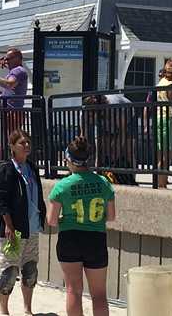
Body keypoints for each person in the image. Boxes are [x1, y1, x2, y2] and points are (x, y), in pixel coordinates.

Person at [47, 135, 115, 316]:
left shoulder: (62, 186)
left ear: (69, 159)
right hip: (96, 238)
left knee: (73, 291)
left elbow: (51, 220)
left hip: (70, 238)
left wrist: (67, 219)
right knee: (99, 295)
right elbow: (111, 216)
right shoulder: (104, 183)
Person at [0, 129, 46, 316]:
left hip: (32, 227)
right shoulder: (6, 170)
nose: (26, 146)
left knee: (30, 270)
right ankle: (4, 310)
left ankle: (27, 309)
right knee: (9, 271)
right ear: (12, 147)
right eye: (22, 143)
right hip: (13, 229)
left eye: (28, 142)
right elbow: (1, 202)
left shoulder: (32, 168)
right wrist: (8, 225)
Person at [153, 59, 172, 188]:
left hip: (160, 118)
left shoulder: (161, 83)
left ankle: (161, 182)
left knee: (161, 155)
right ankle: (161, 184)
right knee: (168, 155)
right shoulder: (171, 85)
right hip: (169, 120)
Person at [0, 49, 29, 135]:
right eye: (6, 59)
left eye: (8, 59)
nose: (6, 61)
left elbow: (9, 84)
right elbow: (9, 90)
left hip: (13, 110)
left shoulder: (18, 70)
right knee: (10, 138)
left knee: (13, 138)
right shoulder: (15, 71)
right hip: (10, 110)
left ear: (18, 58)